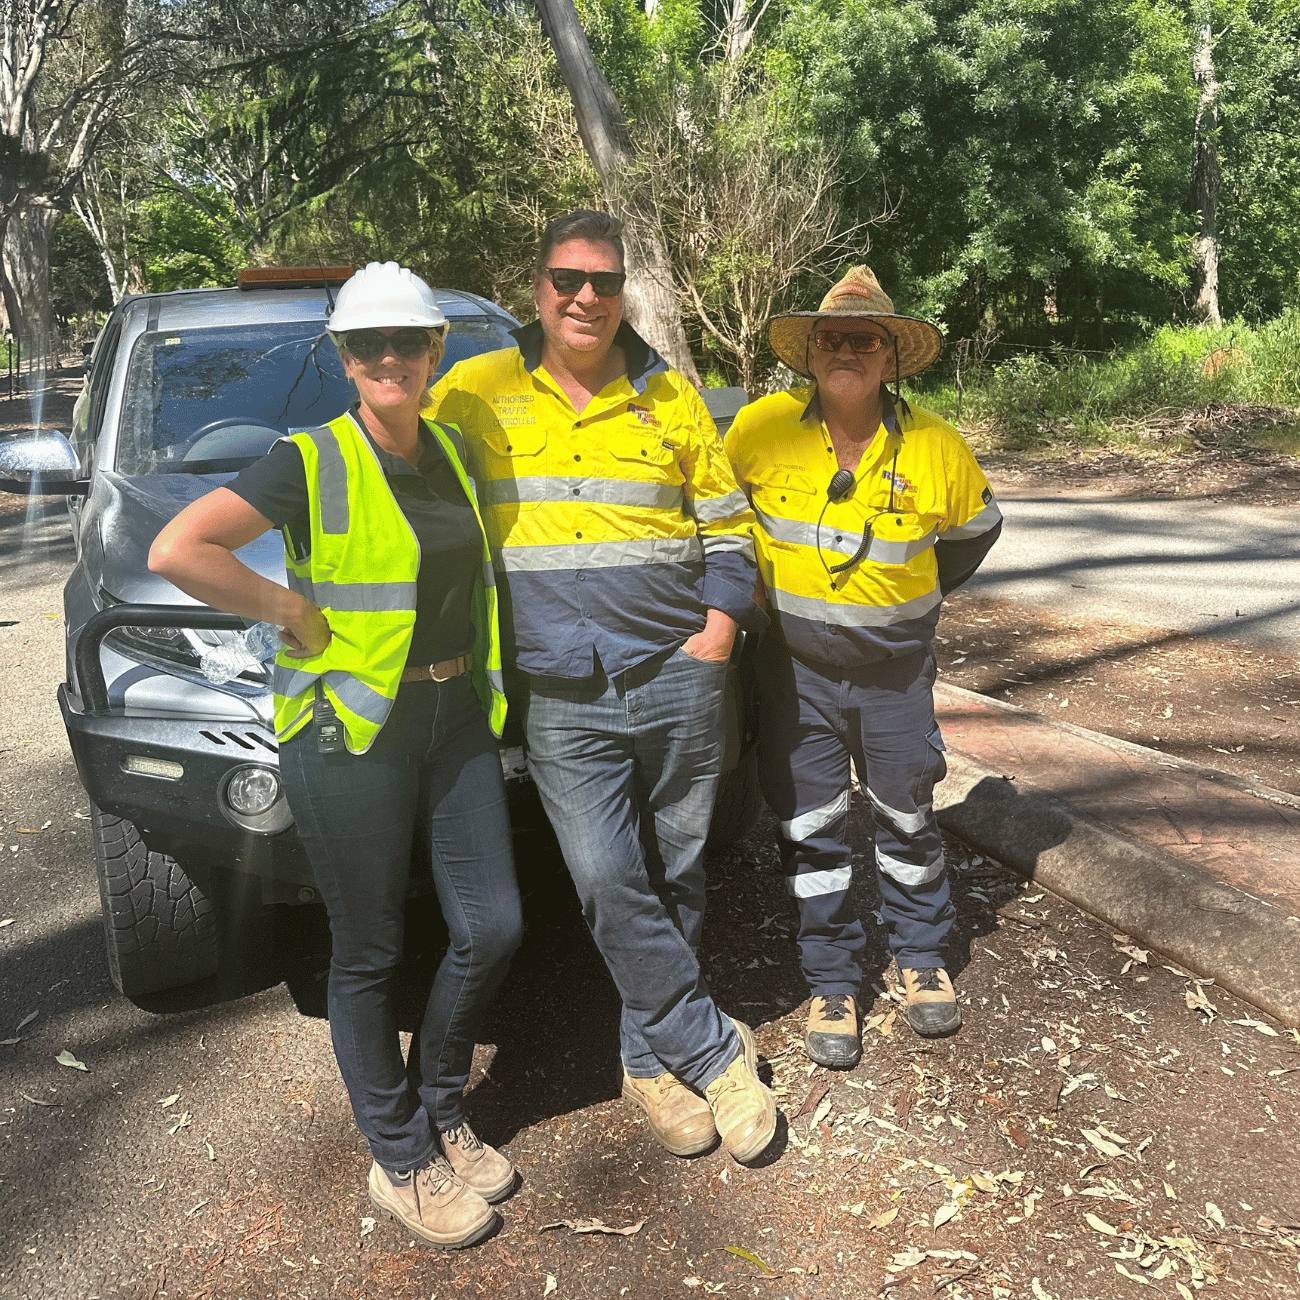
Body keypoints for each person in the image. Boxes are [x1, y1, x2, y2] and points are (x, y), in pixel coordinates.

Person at [149, 261, 523, 1248]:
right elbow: (180, 548)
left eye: (408, 340)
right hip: (348, 729)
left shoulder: (450, 448)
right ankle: (399, 1157)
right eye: (369, 345)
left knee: (492, 926)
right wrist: (287, 606)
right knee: (367, 950)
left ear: (436, 350)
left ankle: (440, 1104)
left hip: (452, 720)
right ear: (346, 360)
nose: (390, 357)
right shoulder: (306, 458)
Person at [428, 210, 778, 1164]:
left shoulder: (670, 397)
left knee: (678, 869)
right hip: (558, 690)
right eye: (564, 278)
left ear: (625, 293)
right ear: (533, 286)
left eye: (603, 281)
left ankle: (648, 1062)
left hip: (677, 671)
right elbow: (402, 478)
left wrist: (716, 632)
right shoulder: (472, 392)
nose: (584, 297)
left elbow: (728, 524)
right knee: (608, 876)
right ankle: (711, 1048)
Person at [724, 266, 1002, 1066]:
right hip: (795, 677)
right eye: (833, 338)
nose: (847, 349)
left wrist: (902, 604)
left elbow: (974, 533)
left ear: (890, 359)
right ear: (811, 354)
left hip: (895, 678)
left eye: (865, 339)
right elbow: (718, 518)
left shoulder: (938, 446)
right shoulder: (760, 428)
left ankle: (921, 962)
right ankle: (832, 978)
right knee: (811, 829)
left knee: (908, 816)